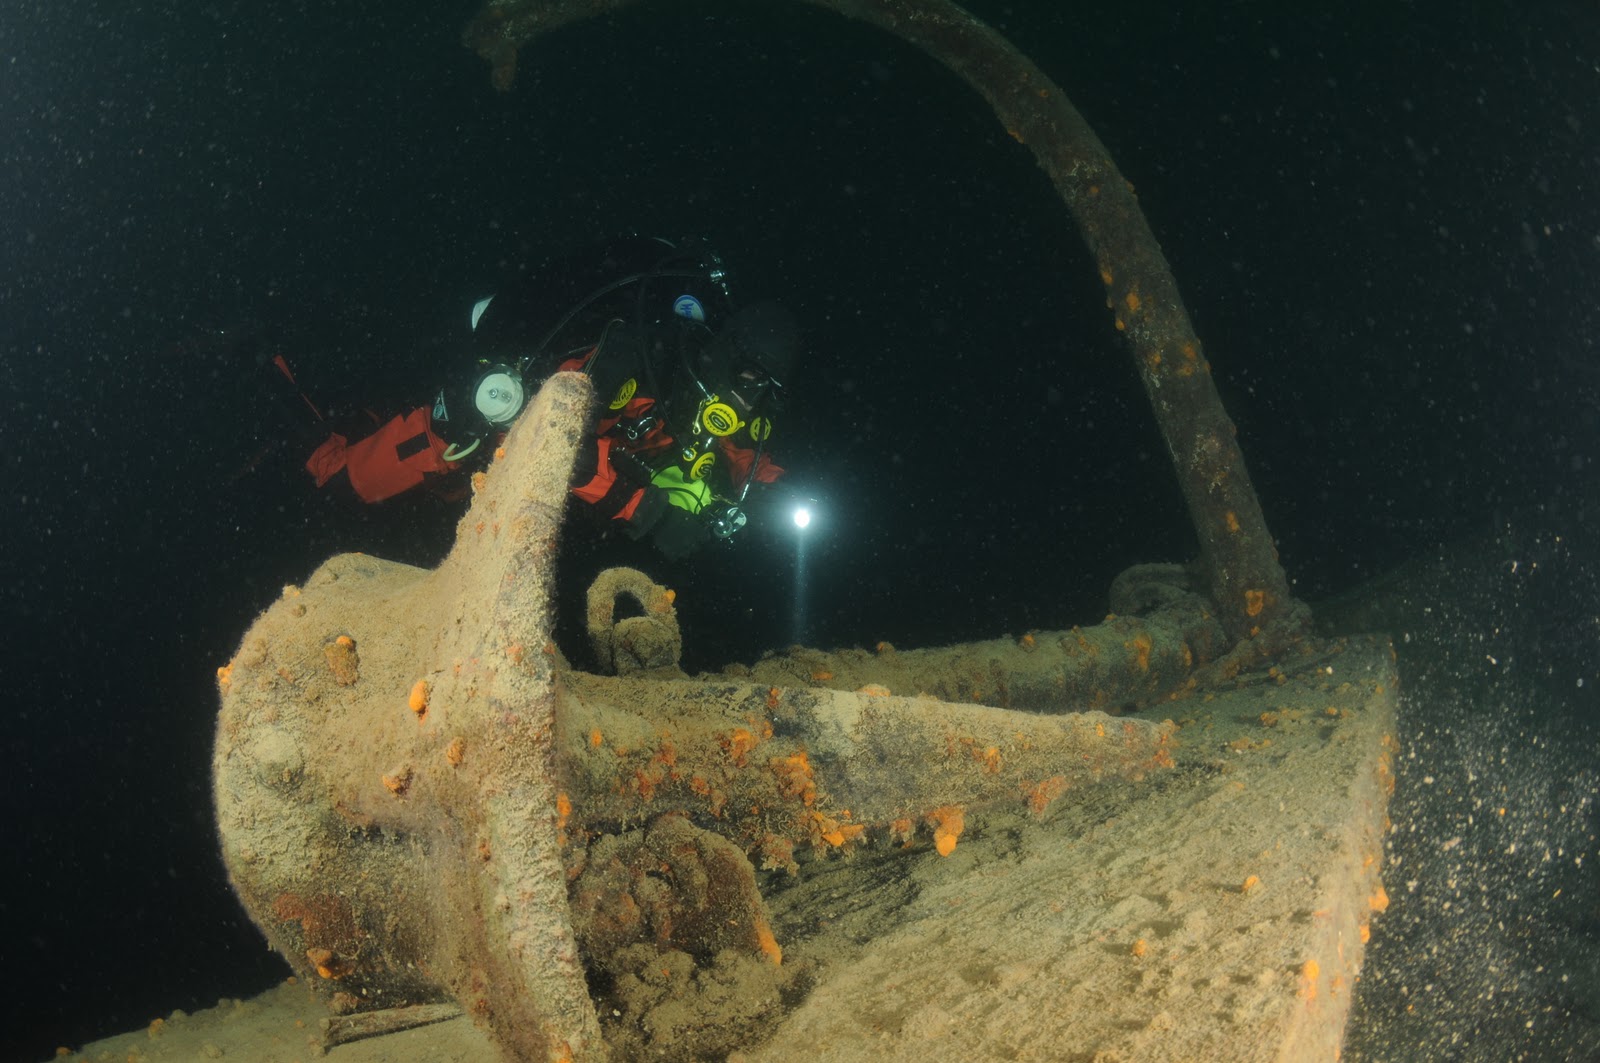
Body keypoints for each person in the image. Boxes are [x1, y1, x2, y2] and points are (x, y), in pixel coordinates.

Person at [294, 235, 798, 559]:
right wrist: (648, 510)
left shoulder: (732, 402)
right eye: (750, 376)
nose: (749, 401)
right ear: (724, 351)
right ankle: (300, 407)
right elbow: (548, 434)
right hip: (481, 434)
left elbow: (745, 452)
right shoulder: (634, 357)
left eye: (765, 390)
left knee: (430, 514)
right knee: (343, 486)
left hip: (530, 496)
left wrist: (779, 495)